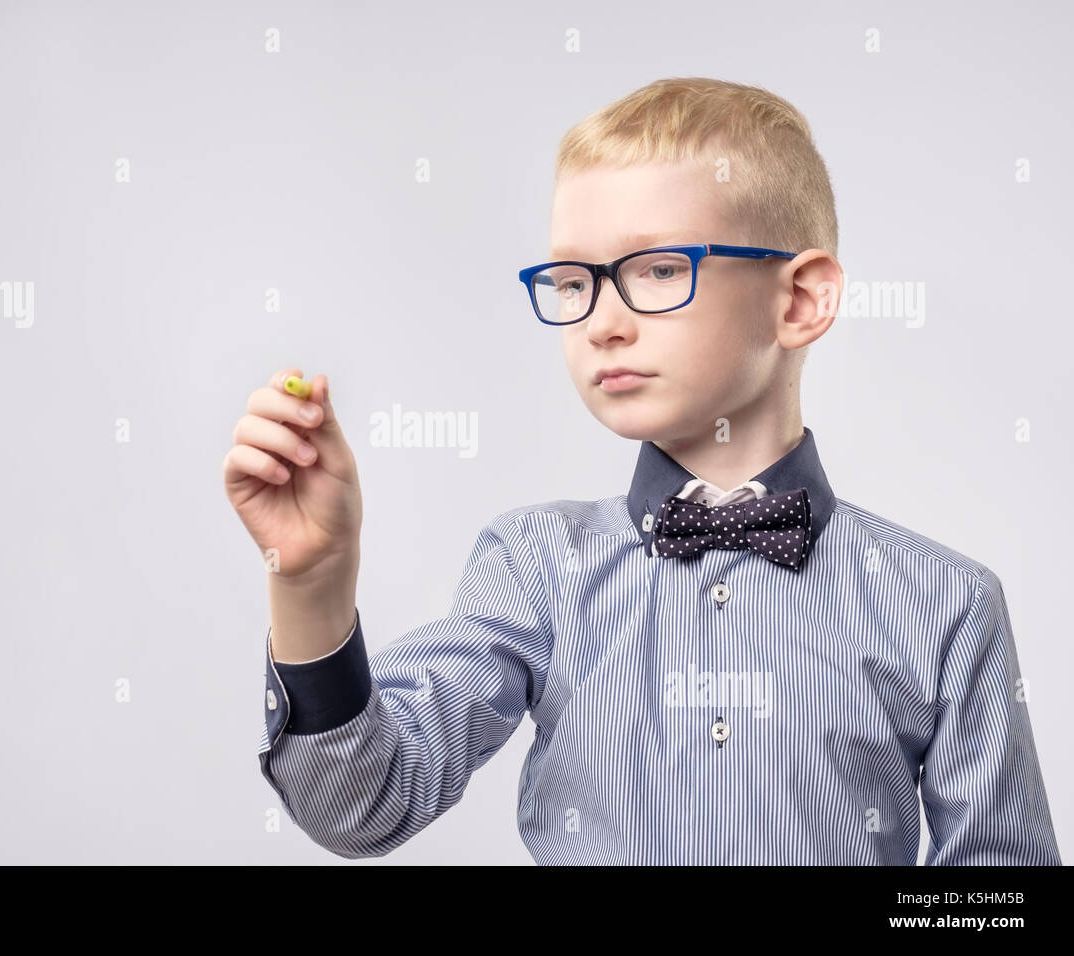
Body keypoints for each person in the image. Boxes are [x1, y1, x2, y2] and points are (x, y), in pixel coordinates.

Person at [222, 77, 1061, 864]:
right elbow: (359, 805)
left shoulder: (948, 602)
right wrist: (311, 587)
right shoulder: (535, 566)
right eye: (573, 279)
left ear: (800, 301)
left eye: (657, 269)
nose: (602, 322)